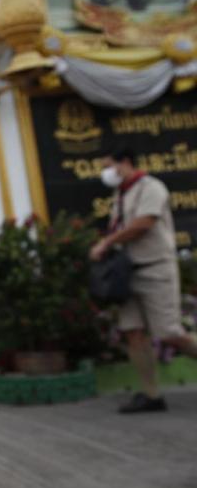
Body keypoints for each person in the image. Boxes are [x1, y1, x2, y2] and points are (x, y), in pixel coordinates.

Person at [90, 146, 197, 412]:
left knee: (170, 332)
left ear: (124, 162)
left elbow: (143, 224)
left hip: (155, 268)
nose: (106, 172)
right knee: (133, 332)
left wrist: (107, 242)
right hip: (127, 273)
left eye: (108, 165)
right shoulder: (120, 194)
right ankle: (151, 395)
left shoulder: (151, 187)